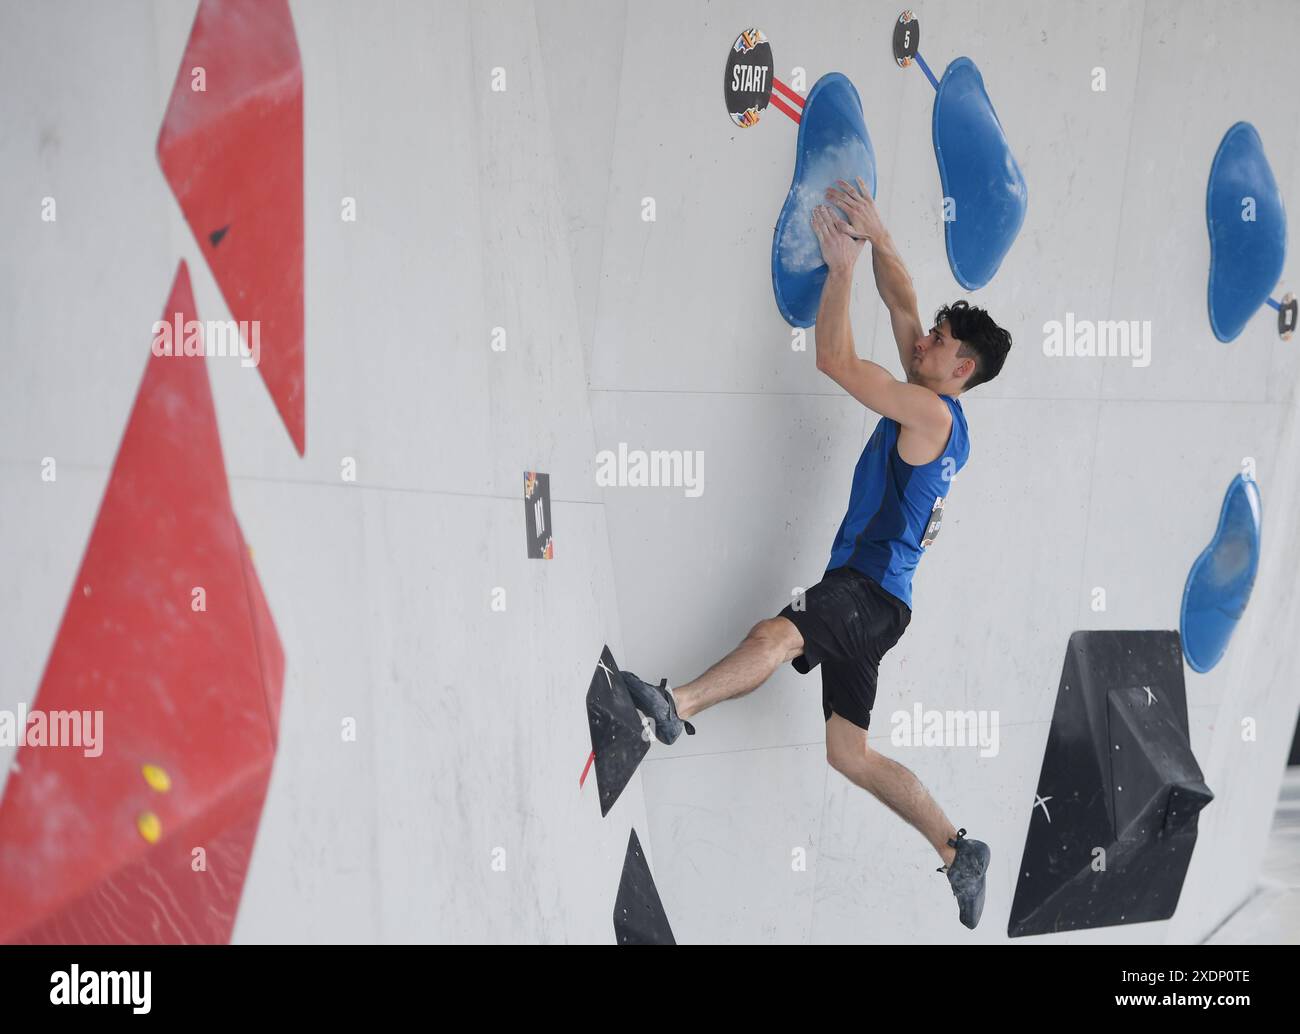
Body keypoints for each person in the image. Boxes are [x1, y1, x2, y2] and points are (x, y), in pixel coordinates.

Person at [621, 179, 1013, 931]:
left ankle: (677, 707)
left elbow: (833, 360)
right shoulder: (944, 409)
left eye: (938, 342)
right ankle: (958, 849)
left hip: (864, 591)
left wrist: (841, 269)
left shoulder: (928, 410)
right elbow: (902, 305)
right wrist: (882, 238)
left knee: (777, 634)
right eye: (932, 332)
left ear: (960, 369)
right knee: (849, 754)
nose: (922, 339)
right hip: (884, 602)